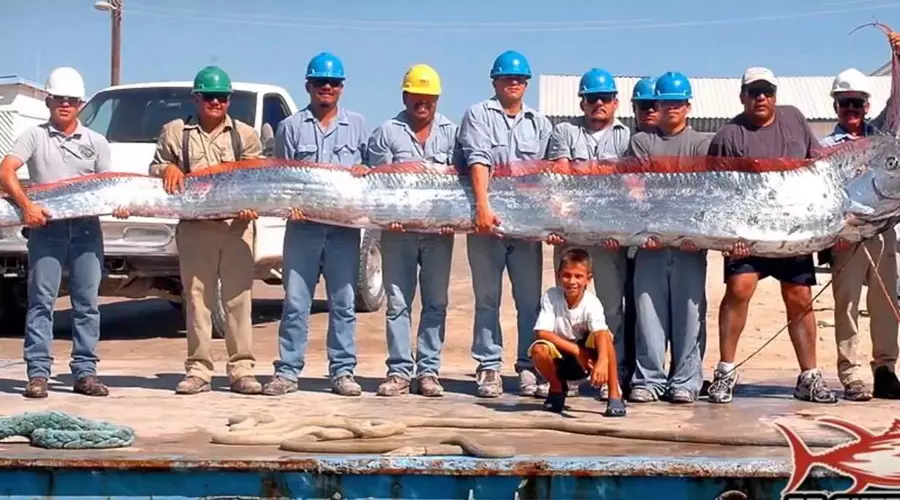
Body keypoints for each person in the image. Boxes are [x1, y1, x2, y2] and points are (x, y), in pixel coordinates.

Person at [706, 67, 836, 404]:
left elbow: (819, 167)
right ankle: (725, 371)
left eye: (767, 91)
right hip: (746, 233)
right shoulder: (728, 135)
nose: (761, 97)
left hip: (790, 230)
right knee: (740, 288)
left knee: (799, 296)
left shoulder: (794, 119)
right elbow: (717, 193)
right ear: (742, 97)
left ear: (776, 94)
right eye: (754, 92)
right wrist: (726, 238)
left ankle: (809, 376)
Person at [141, 66, 264, 395]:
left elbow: (256, 174)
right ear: (196, 98)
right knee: (197, 300)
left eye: (222, 97)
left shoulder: (245, 134)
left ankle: (242, 370)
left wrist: (253, 204)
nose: (216, 102)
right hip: (195, 228)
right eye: (209, 96)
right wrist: (165, 168)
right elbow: (154, 167)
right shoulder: (175, 132)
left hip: (237, 227)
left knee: (239, 299)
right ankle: (199, 369)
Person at [0, 67, 112, 399]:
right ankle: (37, 373)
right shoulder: (33, 137)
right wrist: (27, 206)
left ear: (80, 104)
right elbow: (6, 172)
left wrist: (118, 205)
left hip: (86, 230)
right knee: (41, 302)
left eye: (72, 100)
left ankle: (85, 372)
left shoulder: (97, 143)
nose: (65, 105)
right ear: (49, 101)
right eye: (59, 99)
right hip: (45, 230)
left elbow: (107, 188)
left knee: (87, 303)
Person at [262, 52, 370, 397]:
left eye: (334, 83)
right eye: (320, 82)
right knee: (295, 302)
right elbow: (282, 177)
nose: (327, 87)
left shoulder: (358, 125)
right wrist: (288, 206)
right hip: (303, 228)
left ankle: (342, 371)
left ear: (342, 87)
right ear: (308, 85)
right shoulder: (290, 127)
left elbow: (370, 173)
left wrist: (365, 171)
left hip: (343, 229)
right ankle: (288, 371)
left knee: (343, 303)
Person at [457, 50, 553, 398]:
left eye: (520, 78)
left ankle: (529, 367)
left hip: (526, 229)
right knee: (487, 298)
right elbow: (478, 160)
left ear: (527, 83)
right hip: (486, 223)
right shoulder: (478, 115)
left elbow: (549, 176)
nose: (514, 83)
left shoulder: (540, 124)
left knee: (529, 302)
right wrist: (482, 207)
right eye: (507, 78)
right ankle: (488, 367)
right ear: (494, 81)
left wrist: (550, 219)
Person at [365, 64, 458, 397]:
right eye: (416, 97)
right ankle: (400, 372)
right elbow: (378, 183)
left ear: (437, 99)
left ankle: (429, 371)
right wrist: (386, 216)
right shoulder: (386, 132)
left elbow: (460, 181)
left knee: (435, 303)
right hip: (398, 231)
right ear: (405, 96)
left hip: (438, 233)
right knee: (398, 304)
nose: (423, 103)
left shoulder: (452, 132)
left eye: (428, 98)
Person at [622, 72, 710, 404]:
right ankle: (649, 378)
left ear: (688, 106)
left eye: (677, 102)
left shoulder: (704, 143)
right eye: (664, 102)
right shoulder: (643, 141)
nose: (670, 108)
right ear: (655, 105)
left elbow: (703, 193)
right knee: (648, 311)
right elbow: (638, 191)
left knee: (690, 313)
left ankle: (686, 380)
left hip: (690, 242)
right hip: (651, 242)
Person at [544, 68, 631, 400]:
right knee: (568, 308)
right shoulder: (564, 132)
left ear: (615, 102)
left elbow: (628, 187)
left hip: (608, 238)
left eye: (605, 98)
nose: (599, 104)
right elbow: (561, 180)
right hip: (571, 237)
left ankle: (612, 371)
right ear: (582, 102)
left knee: (609, 308)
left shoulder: (627, 137)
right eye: (592, 98)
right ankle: (571, 371)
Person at [819, 67, 900, 401]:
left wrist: (896, 58)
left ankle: (885, 369)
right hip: (846, 235)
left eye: (856, 103)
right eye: (844, 103)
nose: (850, 109)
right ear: (836, 106)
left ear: (867, 105)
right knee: (846, 304)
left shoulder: (881, 138)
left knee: (885, 302)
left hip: (882, 230)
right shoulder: (823, 147)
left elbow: (898, 103)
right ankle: (851, 373)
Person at [527, 248, 625, 416]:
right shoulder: (551, 296)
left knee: (606, 336)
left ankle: (614, 393)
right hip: (563, 357)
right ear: (558, 276)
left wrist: (601, 362)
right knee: (538, 349)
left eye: (578, 276)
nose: (571, 281)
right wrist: (576, 351)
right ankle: (557, 389)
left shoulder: (592, 303)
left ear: (588, 279)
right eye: (567, 275)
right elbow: (542, 332)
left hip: (589, 361)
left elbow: (600, 332)